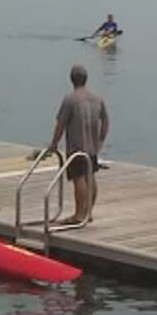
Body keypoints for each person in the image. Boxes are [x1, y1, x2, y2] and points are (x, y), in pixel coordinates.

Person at [50, 63, 109, 225]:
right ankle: (88, 212)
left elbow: (60, 124)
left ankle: (78, 214)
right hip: (92, 146)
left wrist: (54, 144)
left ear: (72, 80)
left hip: (76, 147)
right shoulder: (97, 98)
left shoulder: (70, 99)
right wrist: (100, 140)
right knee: (91, 176)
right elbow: (105, 120)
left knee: (79, 178)